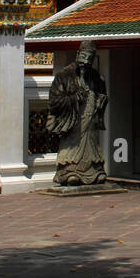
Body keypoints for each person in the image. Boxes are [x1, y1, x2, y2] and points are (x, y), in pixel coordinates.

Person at [47, 41, 109, 186]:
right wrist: (74, 98)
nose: (86, 63)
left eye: (89, 60)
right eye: (84, 58)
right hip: (74, 119)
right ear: (78, 55)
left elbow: (102, 94)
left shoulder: (96, 78)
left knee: (92, 144)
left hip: (90, 118)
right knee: (72, 146)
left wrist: (101, 101)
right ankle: (69, 172)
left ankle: (95, 171)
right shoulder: (64, 76)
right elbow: (54, 101)